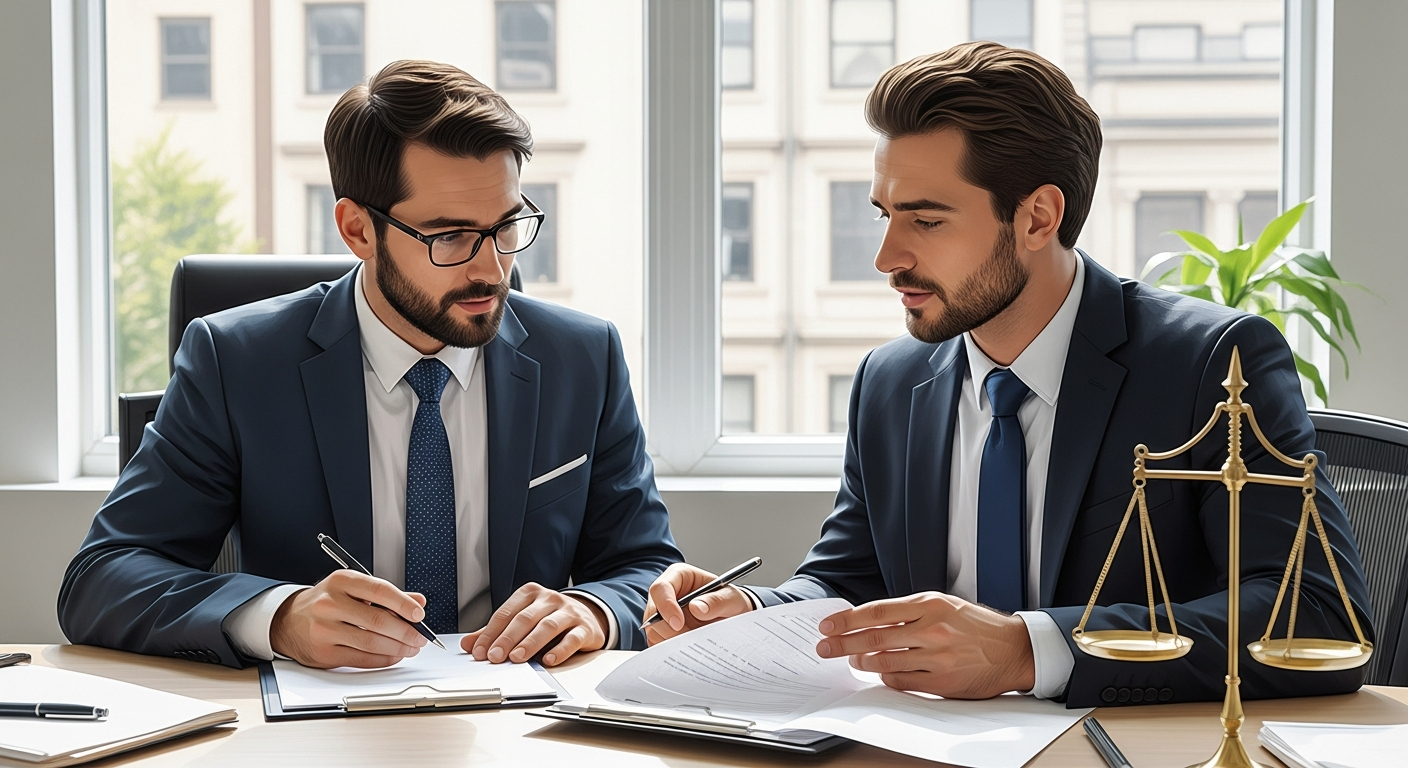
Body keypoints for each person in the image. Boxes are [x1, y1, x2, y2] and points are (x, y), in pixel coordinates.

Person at [644, 42, 1373, 708]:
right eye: (884, 216)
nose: (887, 257)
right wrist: (750, 613)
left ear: (1037, 217)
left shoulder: (1211, 364)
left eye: (925, 221)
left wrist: (1026, 651)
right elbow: (849, 580)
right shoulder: (890, 384)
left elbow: (1316, 615)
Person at [59, 60, 681, 671]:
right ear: (358, 230)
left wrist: (594, 611)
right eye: (450, 237)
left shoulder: (583, 357)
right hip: (317, 732)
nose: (490, 269)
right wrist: (280, 617)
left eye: (507, 225)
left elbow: (648, 568)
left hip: (522, 726)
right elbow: (102, 578)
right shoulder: (237, 362)